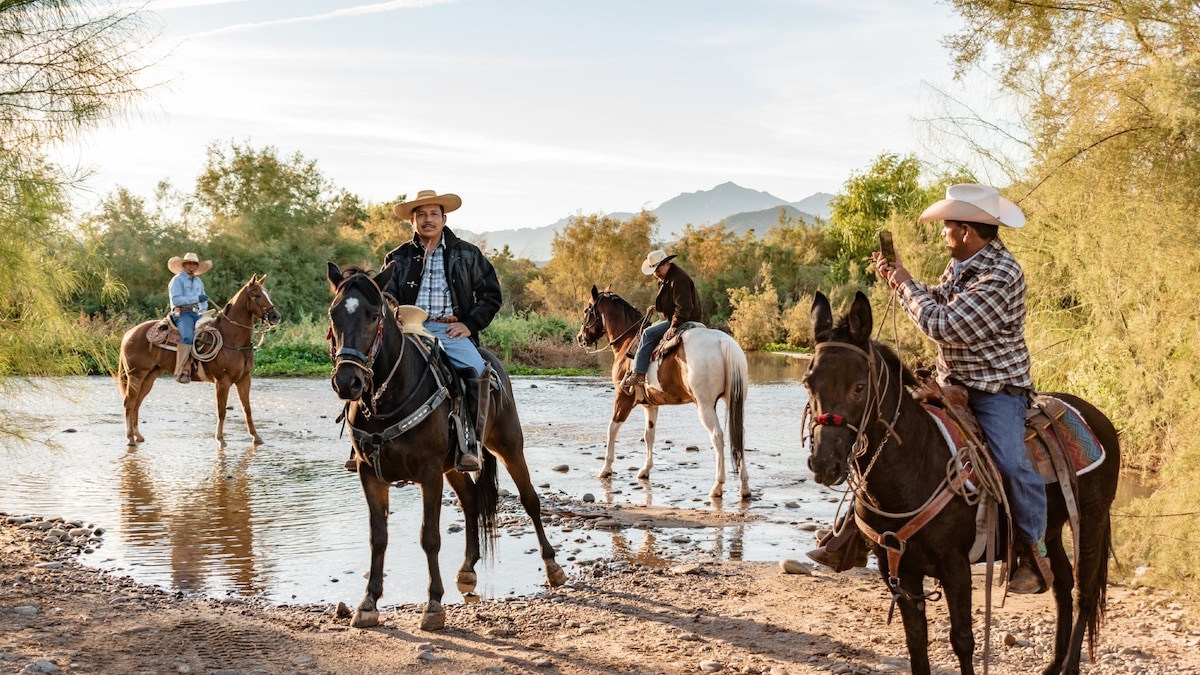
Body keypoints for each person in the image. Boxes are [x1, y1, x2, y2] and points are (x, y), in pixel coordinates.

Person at [844, 182, 1048, 594]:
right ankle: (853, 534)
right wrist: (901, 279)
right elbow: (938, 298)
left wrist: (903, 284)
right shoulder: (962, 264)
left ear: (967, 232)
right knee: (886, 435)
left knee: (1011, 463)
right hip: (950, 383)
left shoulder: (1001, 274)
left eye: (947, 226)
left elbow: (944, 324)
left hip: (994, 389)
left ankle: (1033, 550)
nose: (942, 233)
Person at [381, 189, 502, 473]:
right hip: (408, 329)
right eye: (421, 215)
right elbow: (385, 294)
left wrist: (469, 324)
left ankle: (470, 444)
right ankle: (362, 444)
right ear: (412, 221)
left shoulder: (467, 254)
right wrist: (393, 313)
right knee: (371, 364)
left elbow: (491, 295)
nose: (427, 220)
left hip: (451, 330)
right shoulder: (398, 256)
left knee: (476, 369)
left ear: (444, 218)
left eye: (433, 214)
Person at [619, 249, 701, 395]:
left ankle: (638, 374)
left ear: (667, 263)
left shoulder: (678, 279)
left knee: (648, 333)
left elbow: (684, 307)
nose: (656, 273)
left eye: (657, 269)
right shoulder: (669, 278)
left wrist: (674, 326)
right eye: (654, 270)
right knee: (650, 330)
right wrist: (656, 308)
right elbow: (672, 302)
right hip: (676, 317)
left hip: (684, 319)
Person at [166, 252, 212, 384]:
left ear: (197, 266)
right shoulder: (177, 280)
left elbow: (204, 301)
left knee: (213, 332)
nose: (192, 266)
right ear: (184, 265)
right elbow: (176, 299)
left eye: (194, 264)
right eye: (189, 264)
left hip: (197, 314)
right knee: (187, 336)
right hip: (182, 313)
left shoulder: (199, 281)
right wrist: (196, 299)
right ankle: (180, 370)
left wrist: (203, 312)